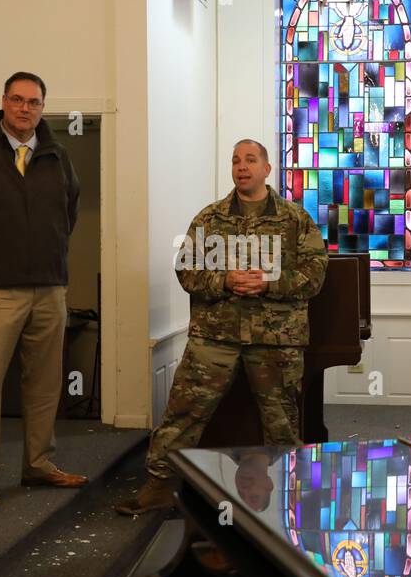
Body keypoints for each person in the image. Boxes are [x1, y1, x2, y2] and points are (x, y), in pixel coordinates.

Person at [114, 140, 329, 515]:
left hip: (275, 338)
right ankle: (160, 487)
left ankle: (290, 498)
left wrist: (268, 283)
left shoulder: (296, 220)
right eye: (235, 161)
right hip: (216, 336)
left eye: (250, 160)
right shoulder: (209, 219)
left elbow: (314, 275)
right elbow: (186, 271)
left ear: (267, 169)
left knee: (281, 422)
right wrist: (224, 281)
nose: (242, 167)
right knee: (183, 413)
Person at [0, 72, 88, 511]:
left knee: (46, 385)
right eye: (17, 100)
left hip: (50, 287)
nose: (25, 108)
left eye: (33, 102)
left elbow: (69, 213)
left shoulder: (58, 156)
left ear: (43, 108)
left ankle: (39, 463)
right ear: (3, 103)